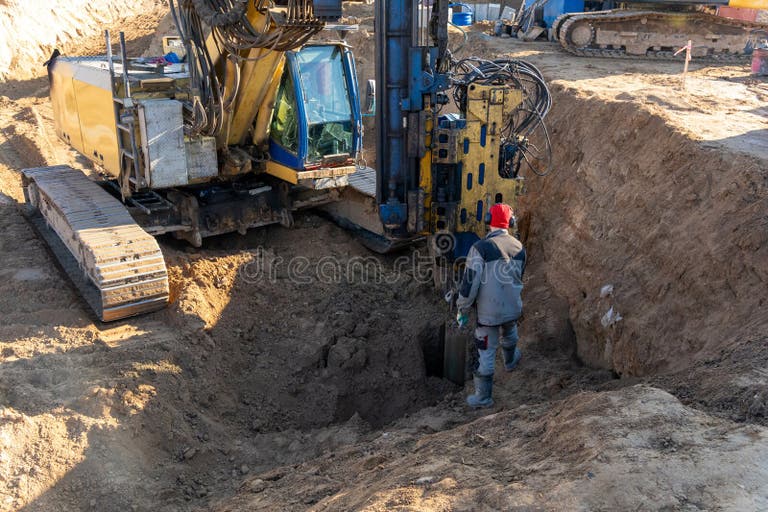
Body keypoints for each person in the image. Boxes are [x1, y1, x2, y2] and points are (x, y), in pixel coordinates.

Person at [456, 203, 526, 408]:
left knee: (485, 351)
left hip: (489, 314)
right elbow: (517, 278)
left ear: (488, 221)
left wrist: (462, 307)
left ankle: (483, 398)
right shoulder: (520, 247)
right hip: (513, 308)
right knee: (510, 331)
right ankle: (511, 361)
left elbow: (470, 283)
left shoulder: (480, 248)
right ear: (510, 223)